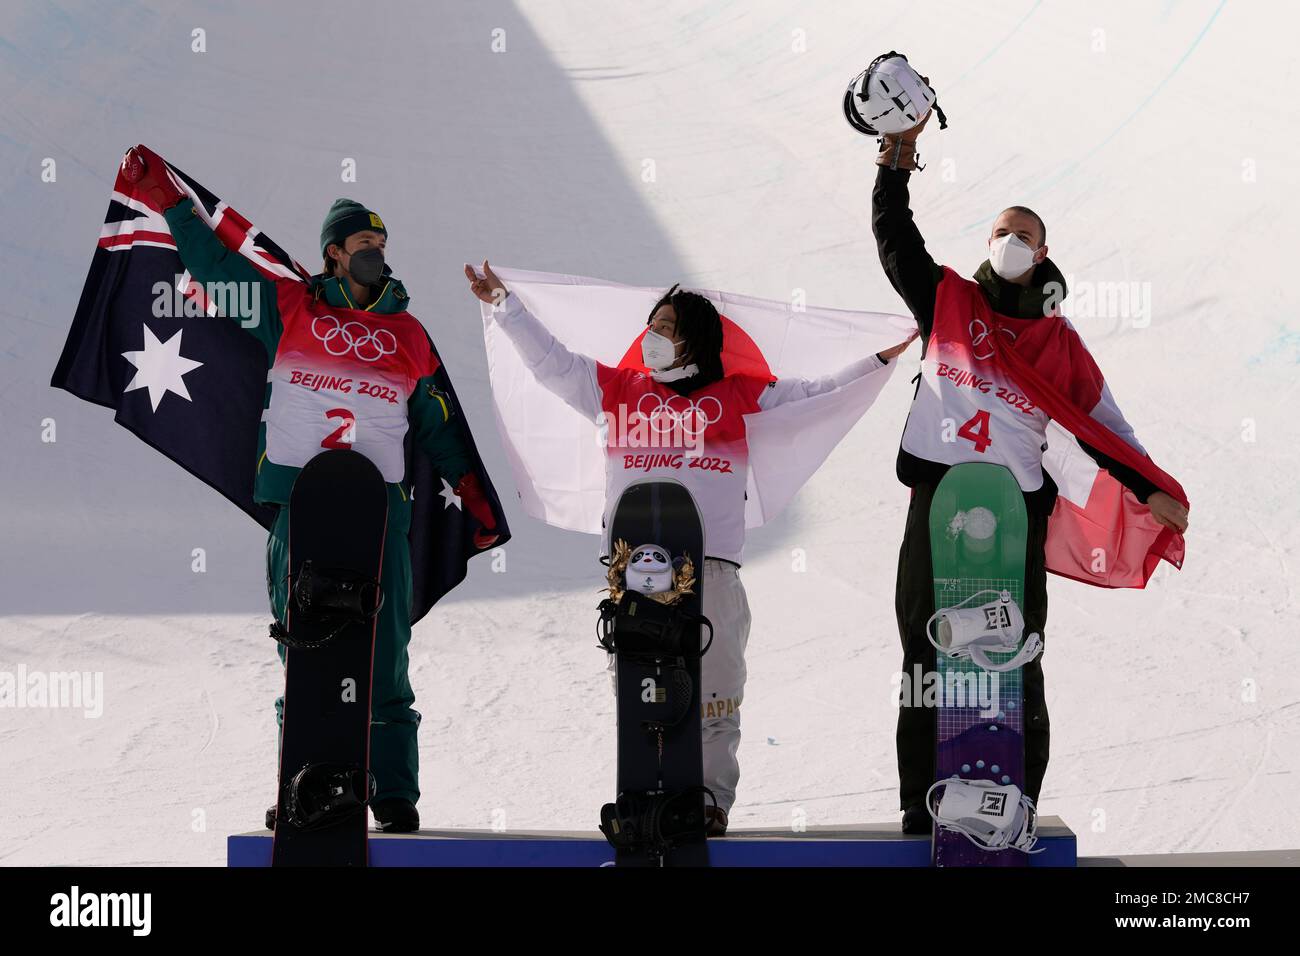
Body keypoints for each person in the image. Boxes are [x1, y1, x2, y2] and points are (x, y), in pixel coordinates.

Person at [121, 145, 501, 833]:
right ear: (332, 253)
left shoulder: (408, 334)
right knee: (304, 645)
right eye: (363, 243)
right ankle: (305, 783)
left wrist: (473, 495)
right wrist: (169, 201)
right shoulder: (289, 307)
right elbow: (214, 269)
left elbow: (438, 424)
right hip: (303, 503)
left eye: (381, 245)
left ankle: (393, 793)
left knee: (384, 651)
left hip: (378, 508)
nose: (376, 254)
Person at [465, 260, 915, 834]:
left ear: (696, 338)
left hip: (713, 571)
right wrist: (505, 303)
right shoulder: (614, 388)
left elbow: (817, 391)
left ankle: (708, 802)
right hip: (632, 576)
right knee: (641, 692)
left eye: (668, 325)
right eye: (652, 323)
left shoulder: (740, 394)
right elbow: (550, 361)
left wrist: (878, 359)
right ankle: (642, 794)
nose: (654, 334)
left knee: (716, 695)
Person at [869, 114, 1190, 833]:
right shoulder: (948, 300)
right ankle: (922, 805)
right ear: (987, 244)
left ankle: (1014, 796)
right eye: (1000, 232)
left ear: (1044, 252)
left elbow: (1101, 425)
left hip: (1011, 513)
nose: (1008, 242)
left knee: (1011, 654)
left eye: (1023, 234)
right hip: (938, 500)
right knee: (925, 646)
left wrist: (1150, 489)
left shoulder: (1059, 342)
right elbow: (896, 239)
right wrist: (897, 157)